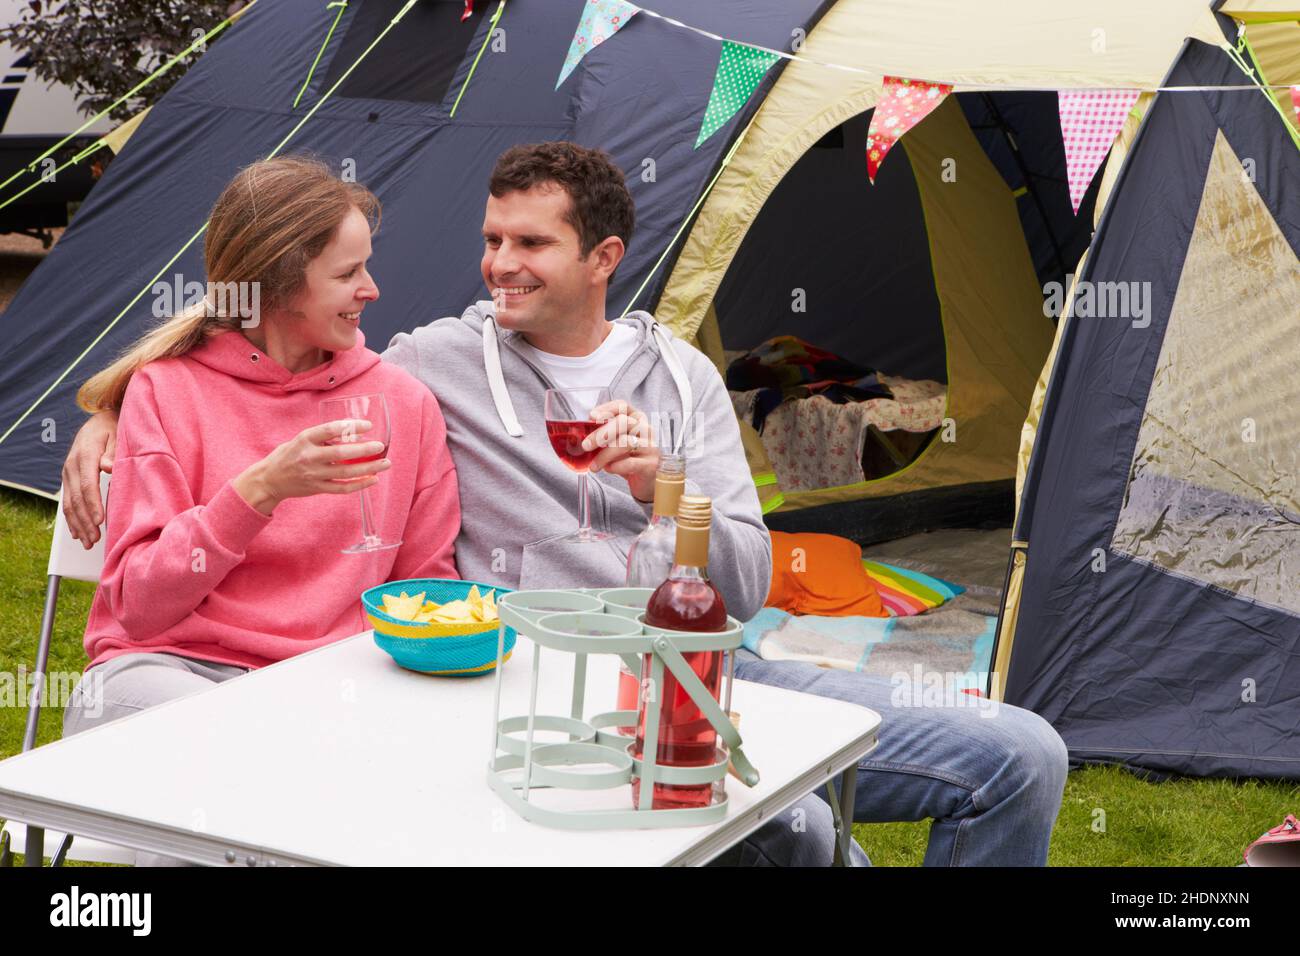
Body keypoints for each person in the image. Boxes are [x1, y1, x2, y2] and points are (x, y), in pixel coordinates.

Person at [64, 142, 1067, 866]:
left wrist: (662, 490)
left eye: (530, 243)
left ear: (603, 257)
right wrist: (107, 409)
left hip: (709, 668)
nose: (498, 264)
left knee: (1022, 752)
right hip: (553, 685)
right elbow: (238, 347)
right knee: (800, 829)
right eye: (492, 238)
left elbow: (751, 583)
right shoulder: (432, 365)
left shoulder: (679, 378)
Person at [63, 156, 460, 750]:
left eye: (366, 267)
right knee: (216, 745)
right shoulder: (167, 390)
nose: (371, 290)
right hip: (165, 672)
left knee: (260, 758)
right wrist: (260, 490)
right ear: (276, 282)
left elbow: (424, 589)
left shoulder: (403, 404)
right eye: (348, 272)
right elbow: (141, 608)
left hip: (325, 689)